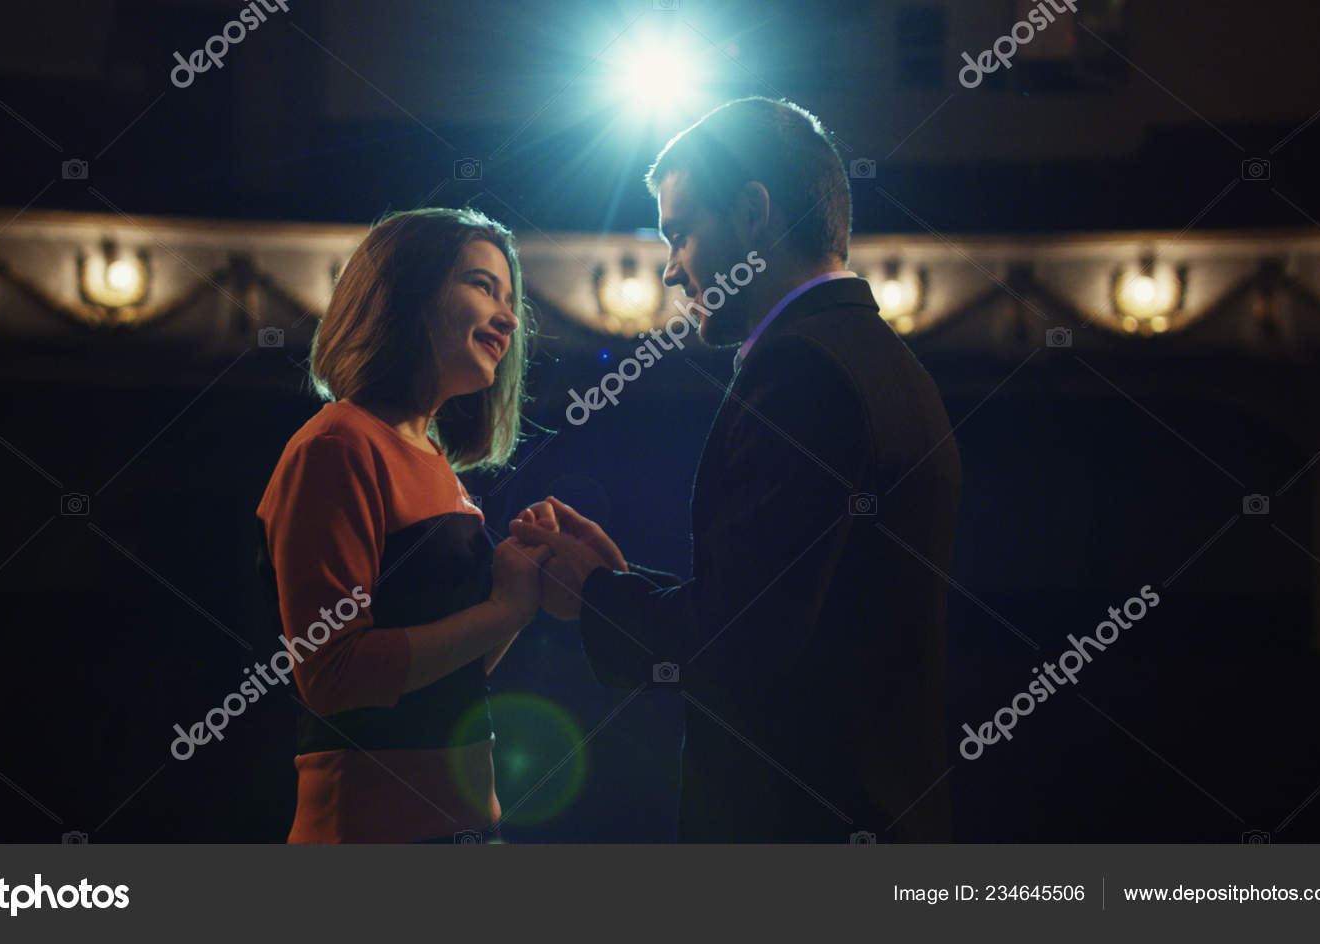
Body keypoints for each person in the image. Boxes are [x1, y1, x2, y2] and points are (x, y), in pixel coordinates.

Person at [511, 98, 962, 842]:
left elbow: (740, 646)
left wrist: (591, 596)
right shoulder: (882, 361)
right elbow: (785, 612)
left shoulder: (802, 372)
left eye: (681, 233)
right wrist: (620, 584)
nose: (670, 270)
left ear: (755, 214)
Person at [256, 207, 551, 843]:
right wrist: (503, 610)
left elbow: (454, 675)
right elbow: (329, 673)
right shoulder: (336, 444)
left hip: (462, 826)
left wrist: (517, 585)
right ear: (407, 295)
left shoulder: (434, 457)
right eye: (481, 284)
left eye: (510, 297)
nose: (507, 316)